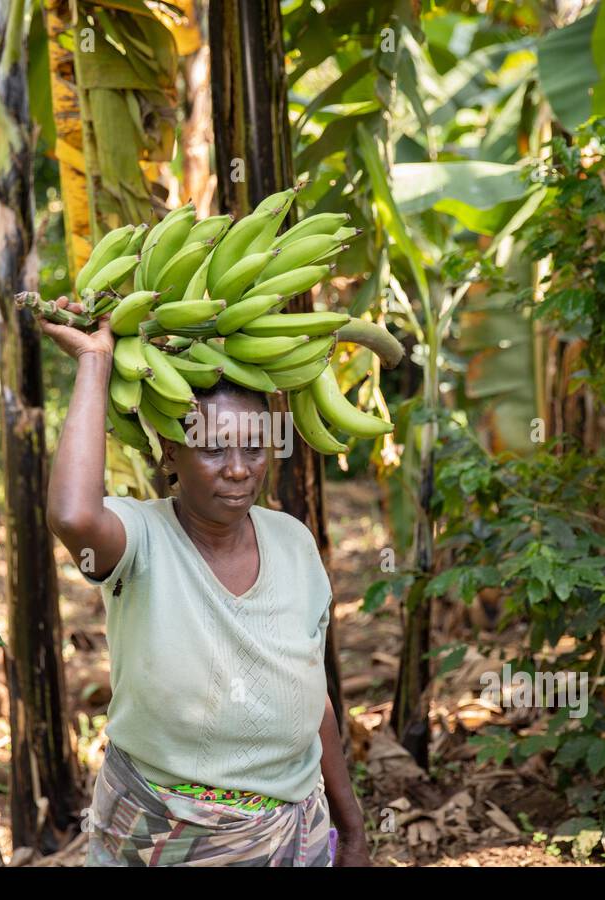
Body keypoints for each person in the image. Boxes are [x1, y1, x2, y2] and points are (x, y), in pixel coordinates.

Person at [39, 295, 370, 867]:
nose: (239, 468)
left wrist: (352, 827)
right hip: (162, 831)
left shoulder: (293, 542)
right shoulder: (139, 539)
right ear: (172, 454)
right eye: (213, 448)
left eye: (253, 447)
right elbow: (72, 516)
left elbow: (311, 693)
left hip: (295, 828)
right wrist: (94, 361)